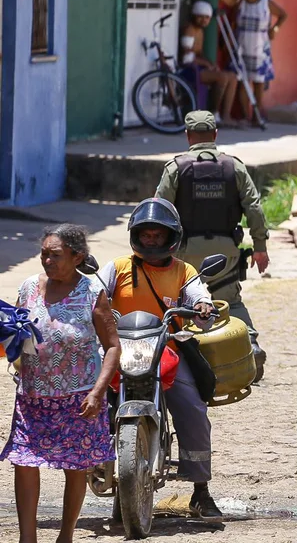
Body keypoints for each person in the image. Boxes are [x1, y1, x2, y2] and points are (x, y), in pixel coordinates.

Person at [96, 198, 222, 519]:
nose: (151, 241)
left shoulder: (185, 270)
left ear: (171, 238)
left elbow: (199, 299)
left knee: (192, 406)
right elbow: (94, 293)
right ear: (136, 235)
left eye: (158, 236)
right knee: (90, 395)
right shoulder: (119, 266)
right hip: (121, 349)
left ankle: (200, 489)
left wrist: (203, 307)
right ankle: (94, 461)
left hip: (166, 351)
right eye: (146, 235)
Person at [1, 224, 121, 543]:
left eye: (55, 255)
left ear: (77, 256)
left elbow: (112, 345)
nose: (47, 261)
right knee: (24, 462)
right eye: (44, 254)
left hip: (78, 398)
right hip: (32, 395)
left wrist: (98, 393)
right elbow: (16, 331)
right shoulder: (28, 287)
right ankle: (28, 538)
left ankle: (65, 535)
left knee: (75, 466)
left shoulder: (92, 293)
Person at [155, 110, 270, 382]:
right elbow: (254, 207)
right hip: (226, 249)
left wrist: (159, 252)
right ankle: (250, 344)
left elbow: (160, 210)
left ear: (187, 136)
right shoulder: (234, 167)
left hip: (185, 251)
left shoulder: (176, 168)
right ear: (216, 135)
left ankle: (179, 356)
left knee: (181, 302)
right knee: (231, 300)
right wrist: (260, 246)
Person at [218, 0, 288, 126]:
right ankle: (246, 115)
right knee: (243, 82)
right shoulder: (240, 1)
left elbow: (283, 15)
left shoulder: (265, 3)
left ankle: (257, 115)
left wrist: (274, 29)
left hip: (259, 49)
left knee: (258, 83)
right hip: (242, 47)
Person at [179, 0, 243, 128]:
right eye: (200, 17)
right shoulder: (190, 30)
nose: (203, 20)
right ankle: (213, 114)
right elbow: (186, 58)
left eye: (206, 18)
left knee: (232, 77)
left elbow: (199, 54)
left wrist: (211, 64)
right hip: (187, 70)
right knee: (222, 77)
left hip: (197, 67)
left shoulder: (200, 32)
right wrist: (207, 65)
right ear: (194, 15)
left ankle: (225, 116)